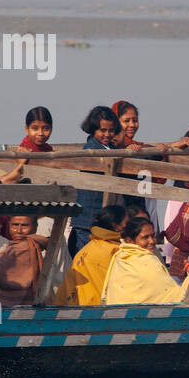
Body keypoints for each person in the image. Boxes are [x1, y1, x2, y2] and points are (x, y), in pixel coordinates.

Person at [71, 105, 121, 255]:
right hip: (87, 219)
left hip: (99, 218)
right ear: (94, 129)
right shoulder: (91, 149)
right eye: (102, 130)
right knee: (85, 257)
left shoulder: (110, 147)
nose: (107, 134)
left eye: (111, 130)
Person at [55, 205, 126, 305]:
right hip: (97, 311)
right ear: (116, 226)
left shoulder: (89, 247)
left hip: (75, 308)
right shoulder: (114, 250)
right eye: (127, 223)